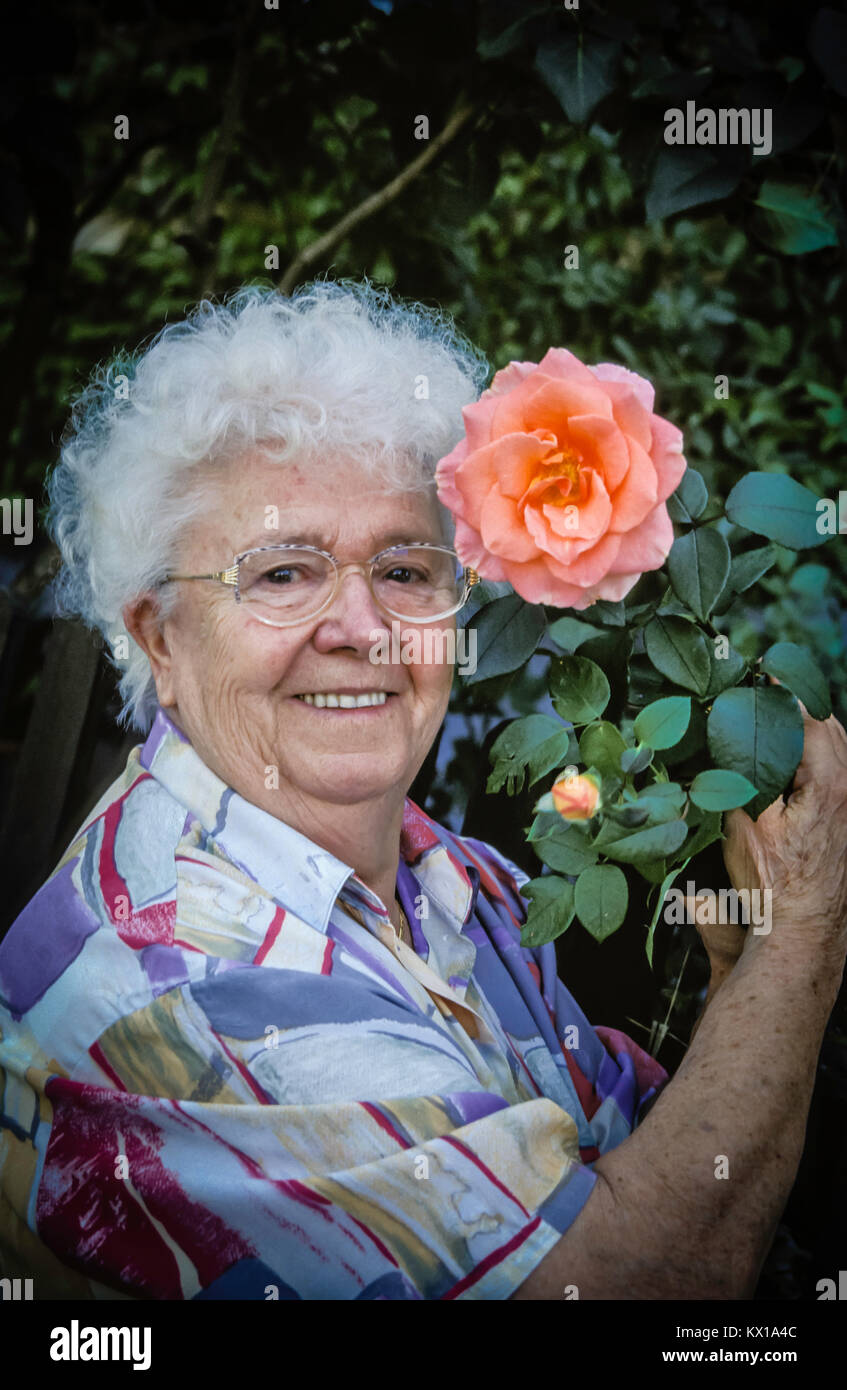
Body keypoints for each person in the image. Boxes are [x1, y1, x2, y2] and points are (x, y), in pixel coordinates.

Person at [0, 281, 845, 1301]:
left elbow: (624, 1163)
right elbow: (637, 1281)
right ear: (159, 639)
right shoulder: (199, 979)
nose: (362, 626)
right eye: (280, 574)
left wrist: (735, 981)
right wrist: (801, 933)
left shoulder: (444, 875)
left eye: (405, 570)